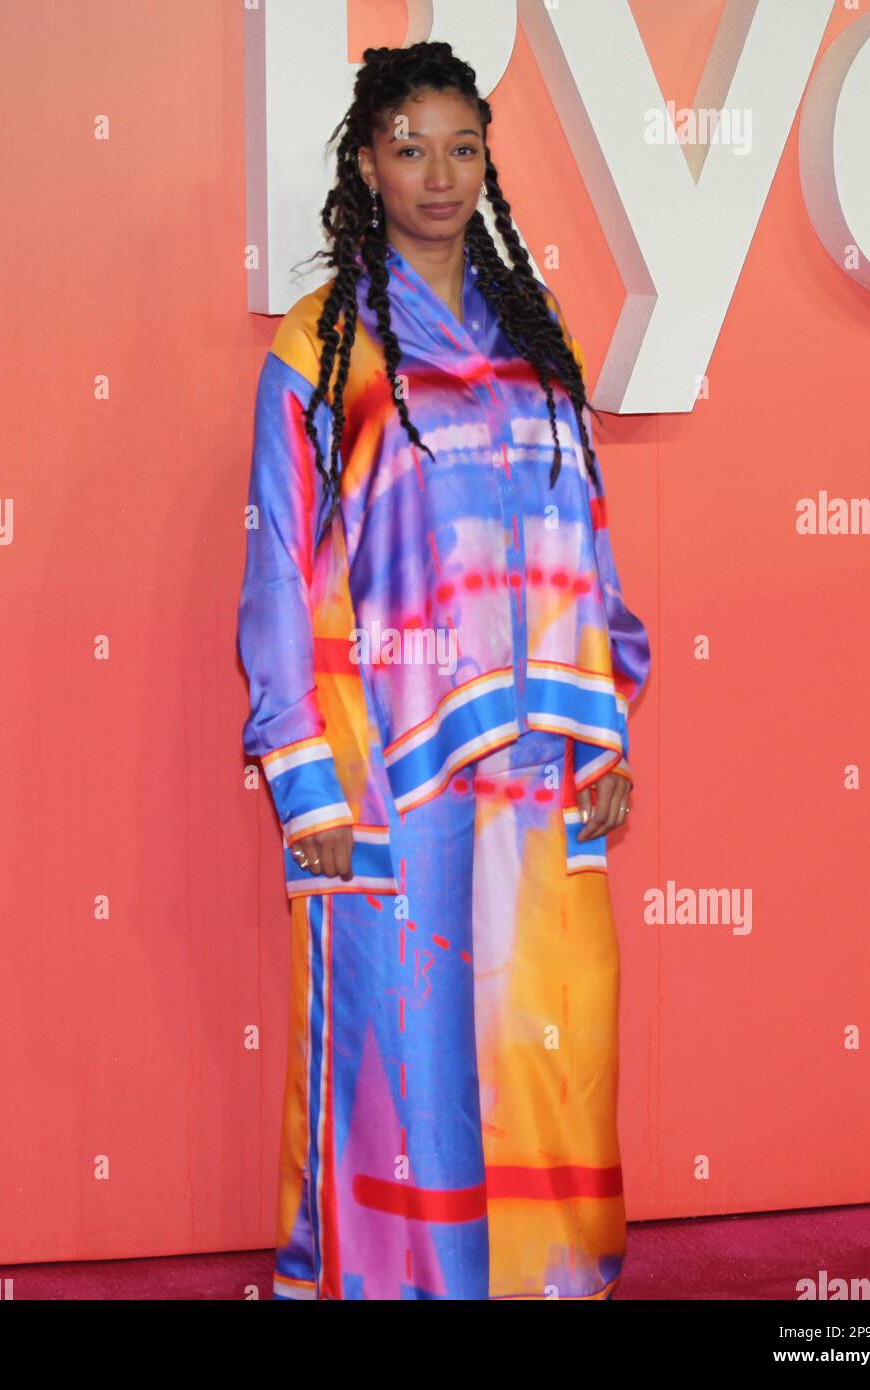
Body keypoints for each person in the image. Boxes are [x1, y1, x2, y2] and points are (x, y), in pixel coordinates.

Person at [236, 41, 650, 1301]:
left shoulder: (535, 336)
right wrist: (304, 781)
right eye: (407, 146)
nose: (437, 173)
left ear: (486, 160)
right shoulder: (317, 349)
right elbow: (273, 572)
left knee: (546, 1037)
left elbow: (589, 538)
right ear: (365, 162)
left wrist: (607, 731)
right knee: (406, 1053)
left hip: (533, 766)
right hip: (386, 773)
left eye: (460, 147)